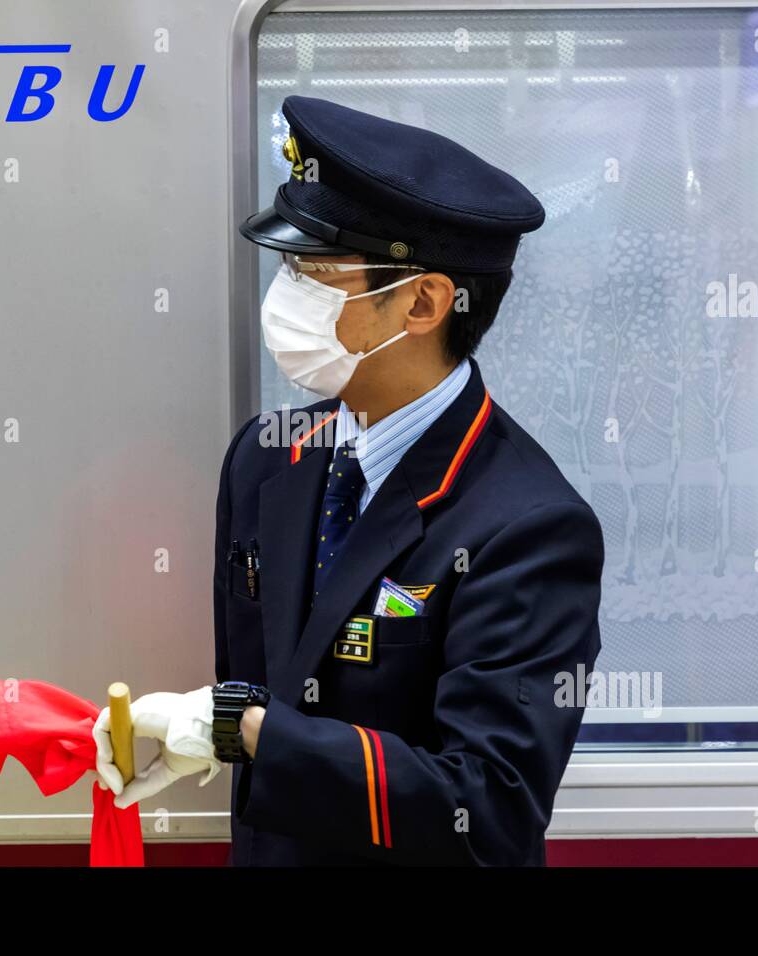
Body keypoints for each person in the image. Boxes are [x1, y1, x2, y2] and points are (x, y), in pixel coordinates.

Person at [95, 96, 604, 866]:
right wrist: (194, 733)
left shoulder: (527, 526)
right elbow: (262, 688)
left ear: (425, 302)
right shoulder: (269, 459)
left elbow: (488, 807)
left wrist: (245, 728)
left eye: (314, 271)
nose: (286, 294)